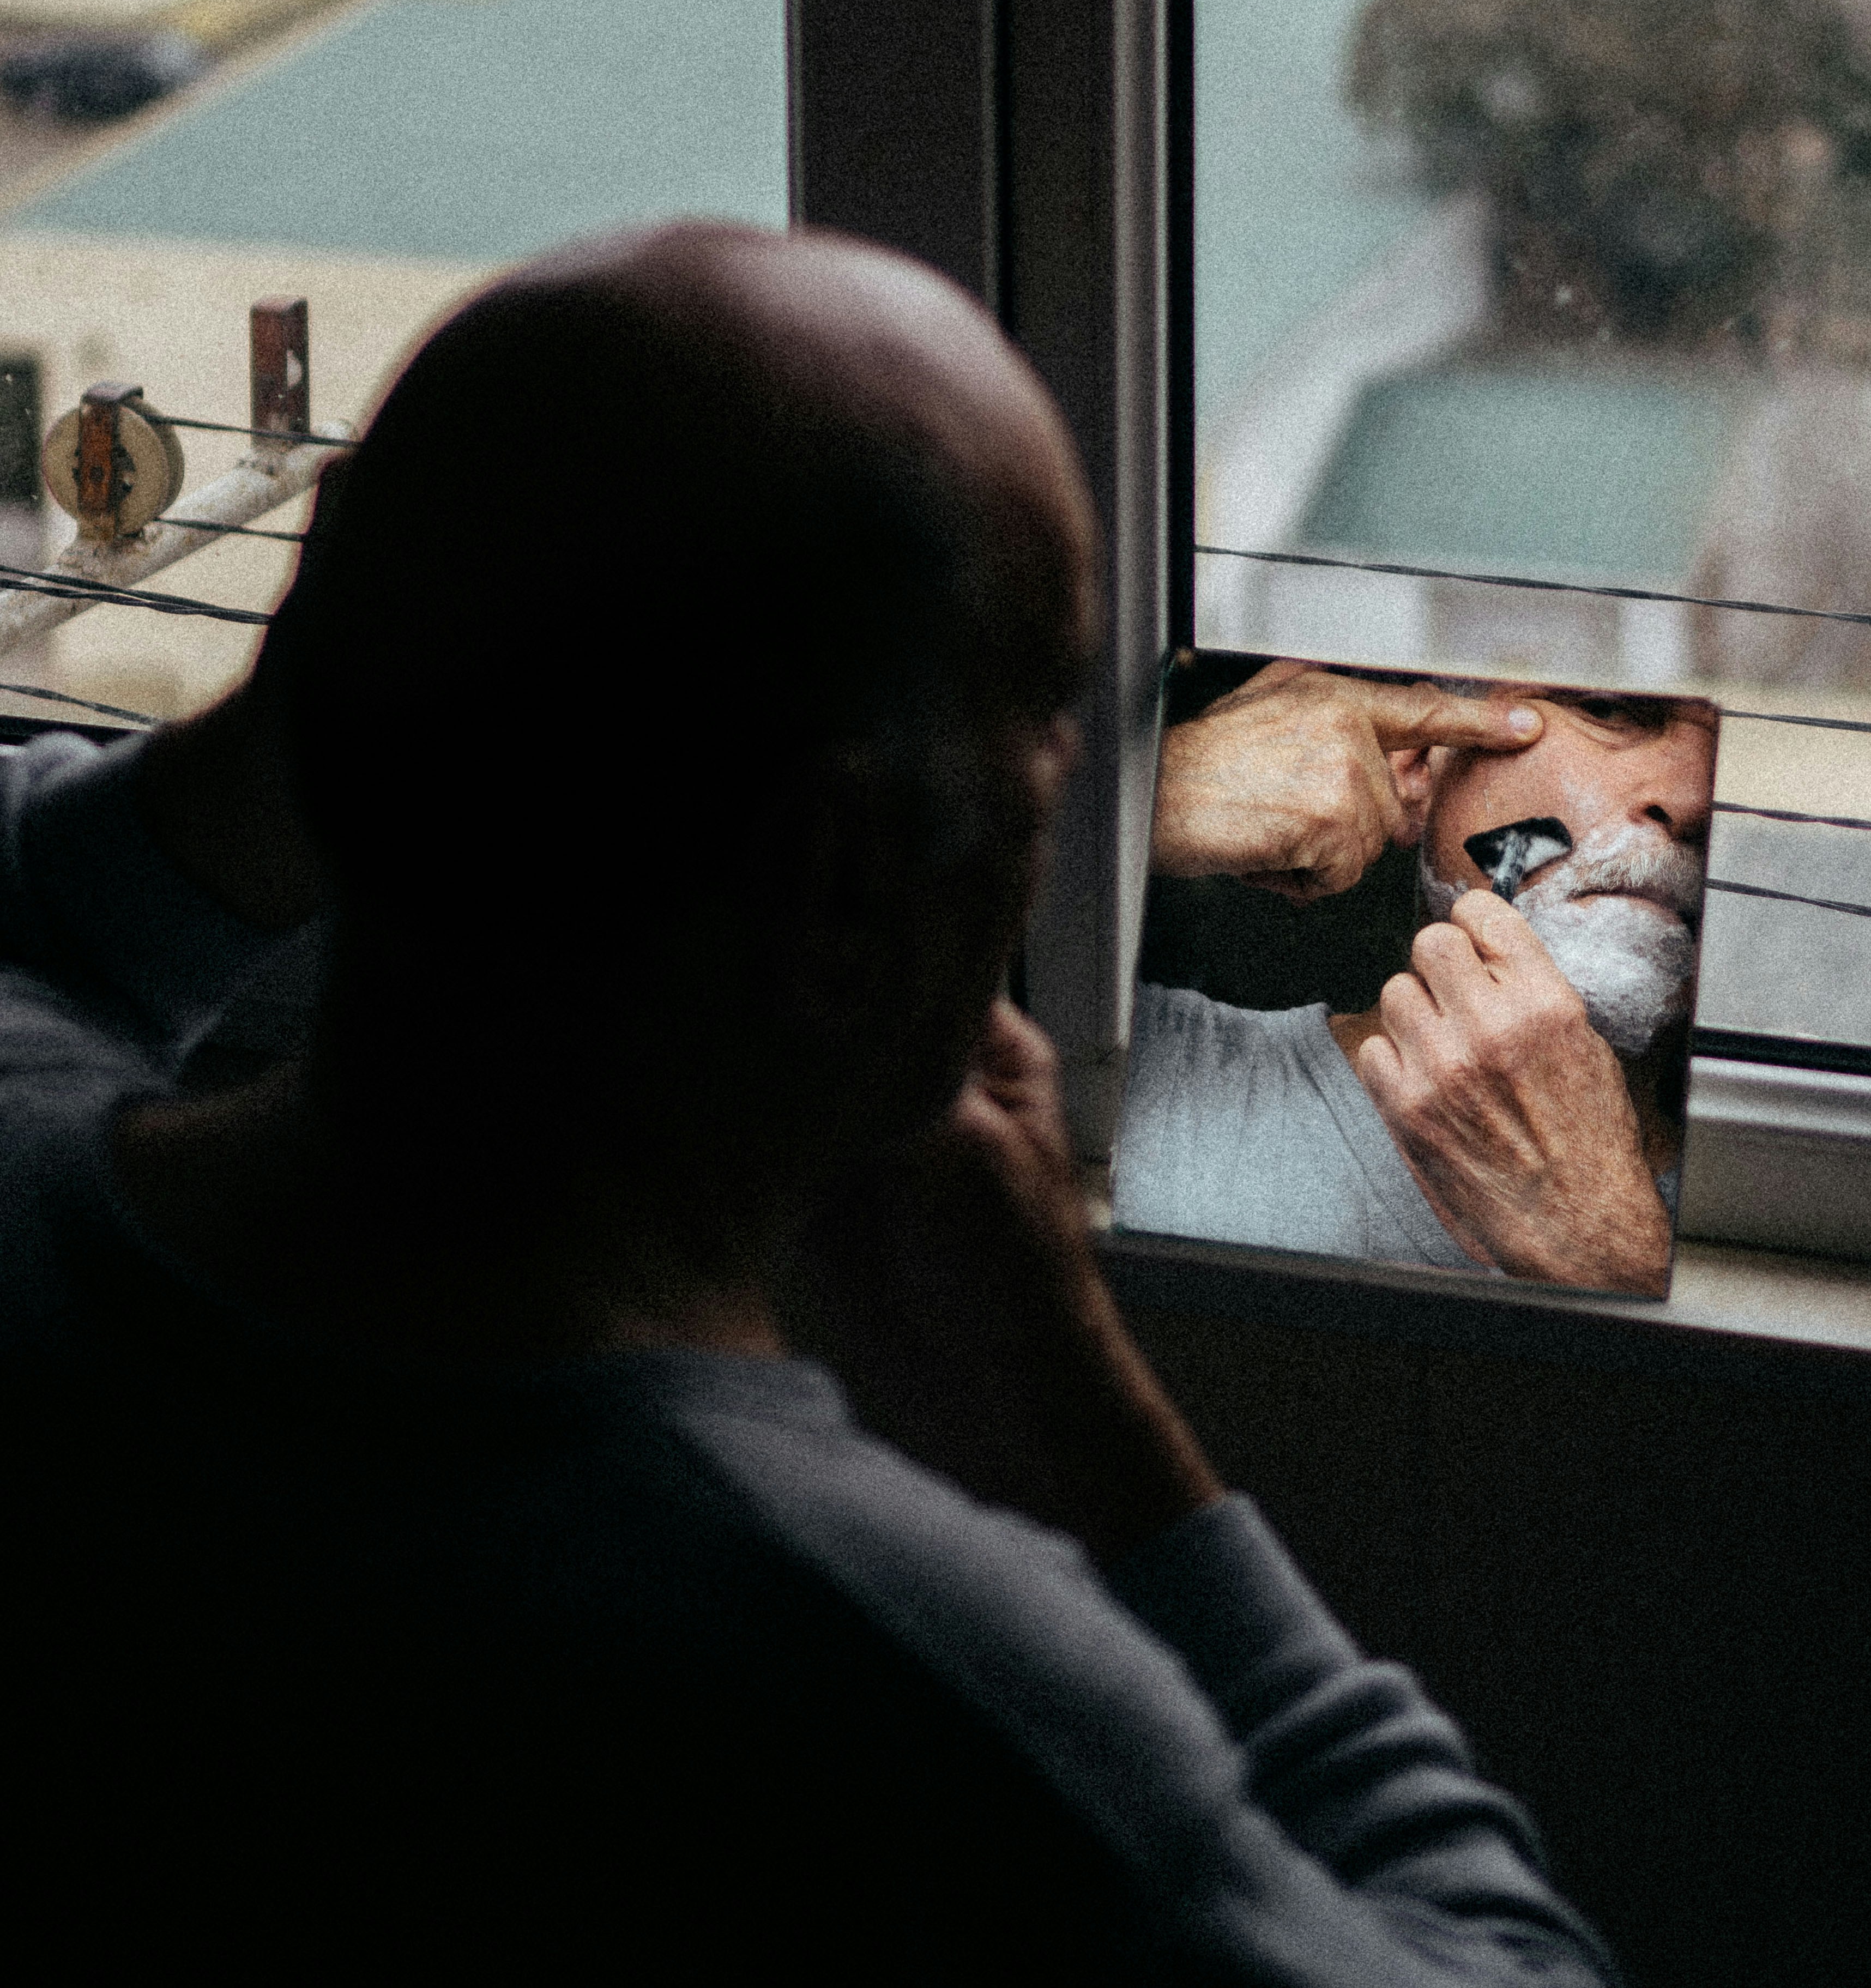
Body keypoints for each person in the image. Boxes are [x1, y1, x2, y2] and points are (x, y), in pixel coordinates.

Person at [0, 223, 1617, 1981]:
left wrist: (363, 684)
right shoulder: (896, 1678)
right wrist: (1077, 1413)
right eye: (1051, 731)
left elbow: (51, 909)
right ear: (842, 879)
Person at [1117, 660, 1717, 1295]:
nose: (1694, 800)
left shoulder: (1779, 1191)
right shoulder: (1131, 1071)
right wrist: (1157, 790)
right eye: (1607, 708)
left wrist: (1611, 1248)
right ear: (1414, 763)